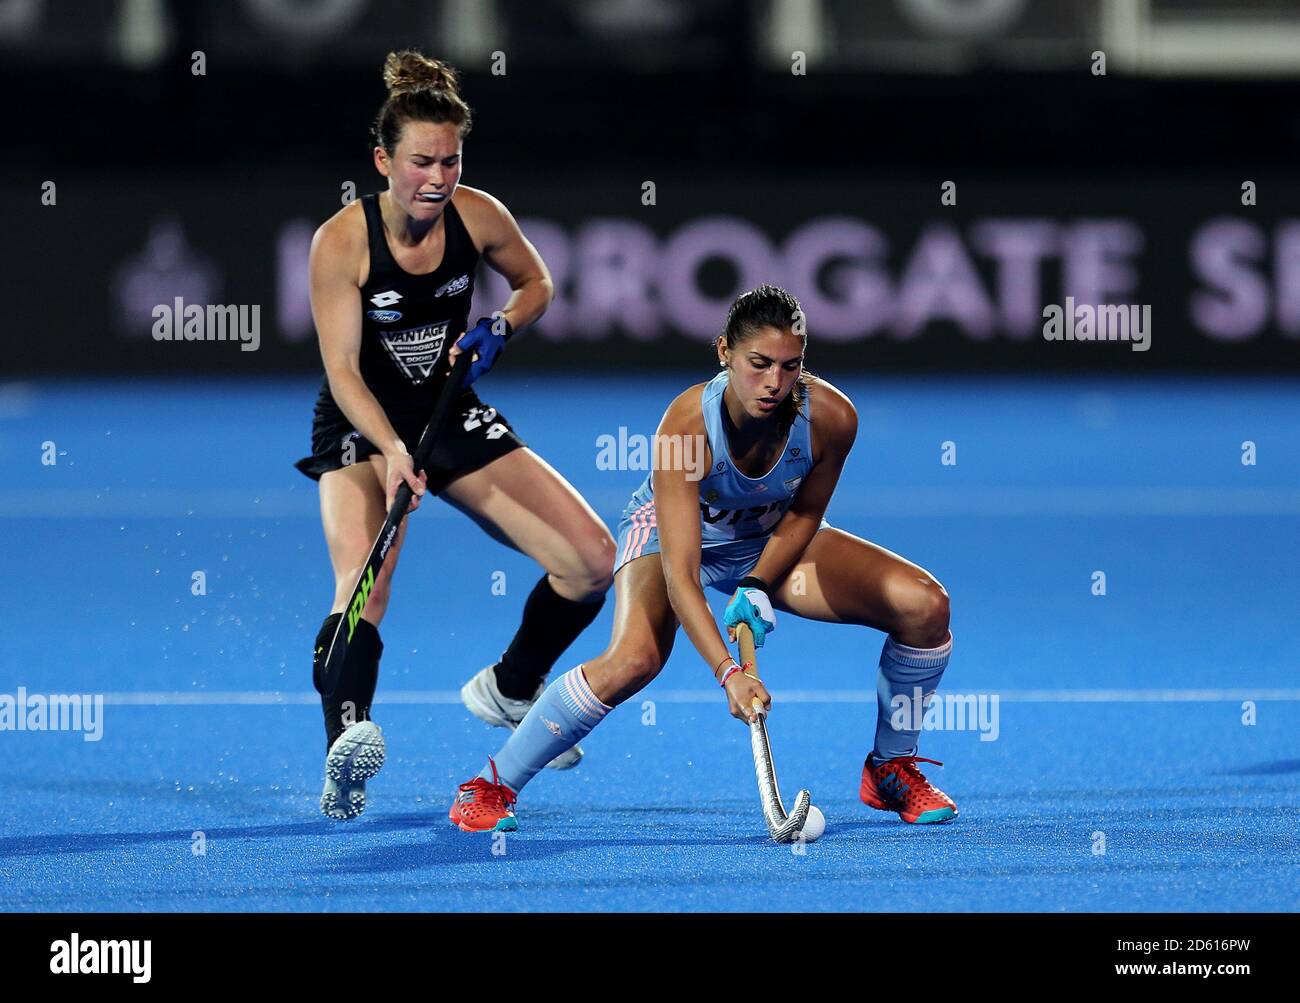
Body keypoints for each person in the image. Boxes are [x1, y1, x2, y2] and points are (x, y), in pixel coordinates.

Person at [450, 284, 958, 833]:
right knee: (634, 660)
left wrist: (759, 584)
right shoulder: (687, 425)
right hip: (673, 539)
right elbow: (680, 574)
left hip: (770, 536)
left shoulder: (833, 417)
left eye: (791, 367)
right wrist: (729, 674)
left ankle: (891, 767)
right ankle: (490, 784)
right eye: (758, 364)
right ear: (724, 353)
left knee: (924, 606)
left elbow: (806, 514)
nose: (774, 383)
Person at [295, 50, 614, 820]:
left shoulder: (478, 215)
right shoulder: (341, 242)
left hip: (447, 410)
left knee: (592, 561)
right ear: (383, 160)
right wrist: (393, 452)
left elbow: (537, 284)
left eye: (451, 159)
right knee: (366, 580)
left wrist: (499, 327)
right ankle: (347, 741)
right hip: (361, 421)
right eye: (420, 162)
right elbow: (342, 370)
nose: (437, 178)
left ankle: (510, 684)